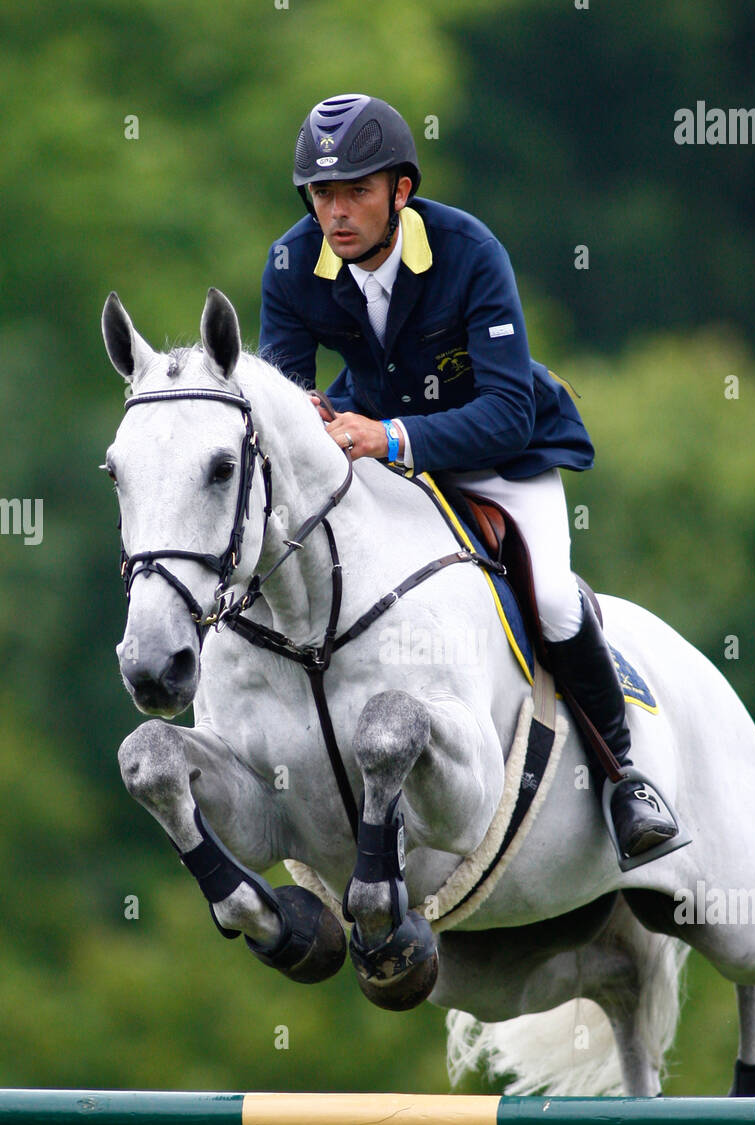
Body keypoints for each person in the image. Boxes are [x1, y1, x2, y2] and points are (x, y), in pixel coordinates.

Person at [259, 92, 679, 862]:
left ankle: (628, 778)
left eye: (357, 190)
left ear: (401, 191)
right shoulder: (291, 265)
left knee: (550, 594)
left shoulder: (468, 250)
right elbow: (288, 413)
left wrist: (386, 435)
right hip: (384, 459)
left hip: (498, 457)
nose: (338, 213)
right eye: (323, 193)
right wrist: (314, 420)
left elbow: (507, 413)